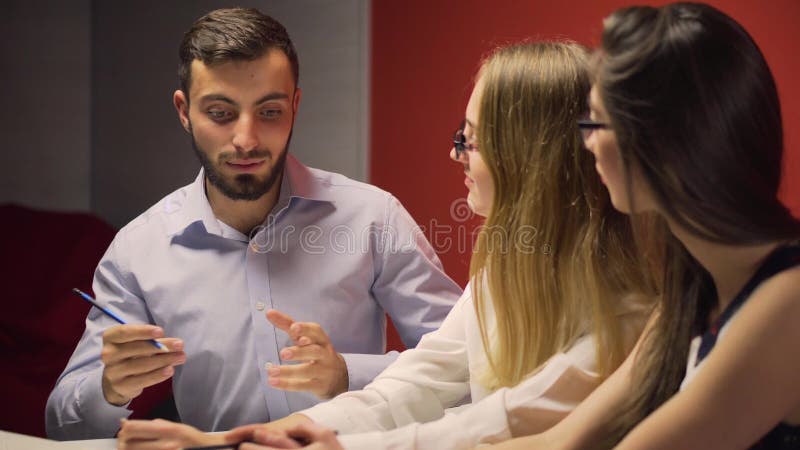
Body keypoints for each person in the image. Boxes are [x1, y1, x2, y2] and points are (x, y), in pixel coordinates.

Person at [116, 41, 657, 450]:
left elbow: (497, 421)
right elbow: (415, 383)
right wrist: (246, 439)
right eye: (221, 112)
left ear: (527, 156)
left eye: (470, 139)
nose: (456, 155)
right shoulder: (504, 273)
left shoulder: (629, 306)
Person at [45, 7, 461, 440]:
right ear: (184, 111)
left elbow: (468, 368)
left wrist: (347, 374)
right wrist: (109, 389)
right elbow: (59, 424)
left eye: (270, 112)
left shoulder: (374, 218)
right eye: (220, 113)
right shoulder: (138, 250)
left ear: (294, 106)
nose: (246, 139)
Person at [488, 3, 800, 449]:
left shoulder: (788, 303)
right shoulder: (690, 289)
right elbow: (561, 442)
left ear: (666, 143)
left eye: (596, 122)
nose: (587, 144)